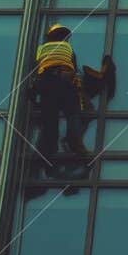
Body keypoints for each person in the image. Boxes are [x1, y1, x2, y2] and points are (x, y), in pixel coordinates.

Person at [29, 24, 90, 165]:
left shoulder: (41, 49)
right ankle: (74, 142)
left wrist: (34, 91)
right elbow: (72, 67)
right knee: (72, 113)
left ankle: (49, 148)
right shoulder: (67, 48)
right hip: (64, 80)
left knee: (50, 118)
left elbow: (37, 67)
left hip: (46, 82)